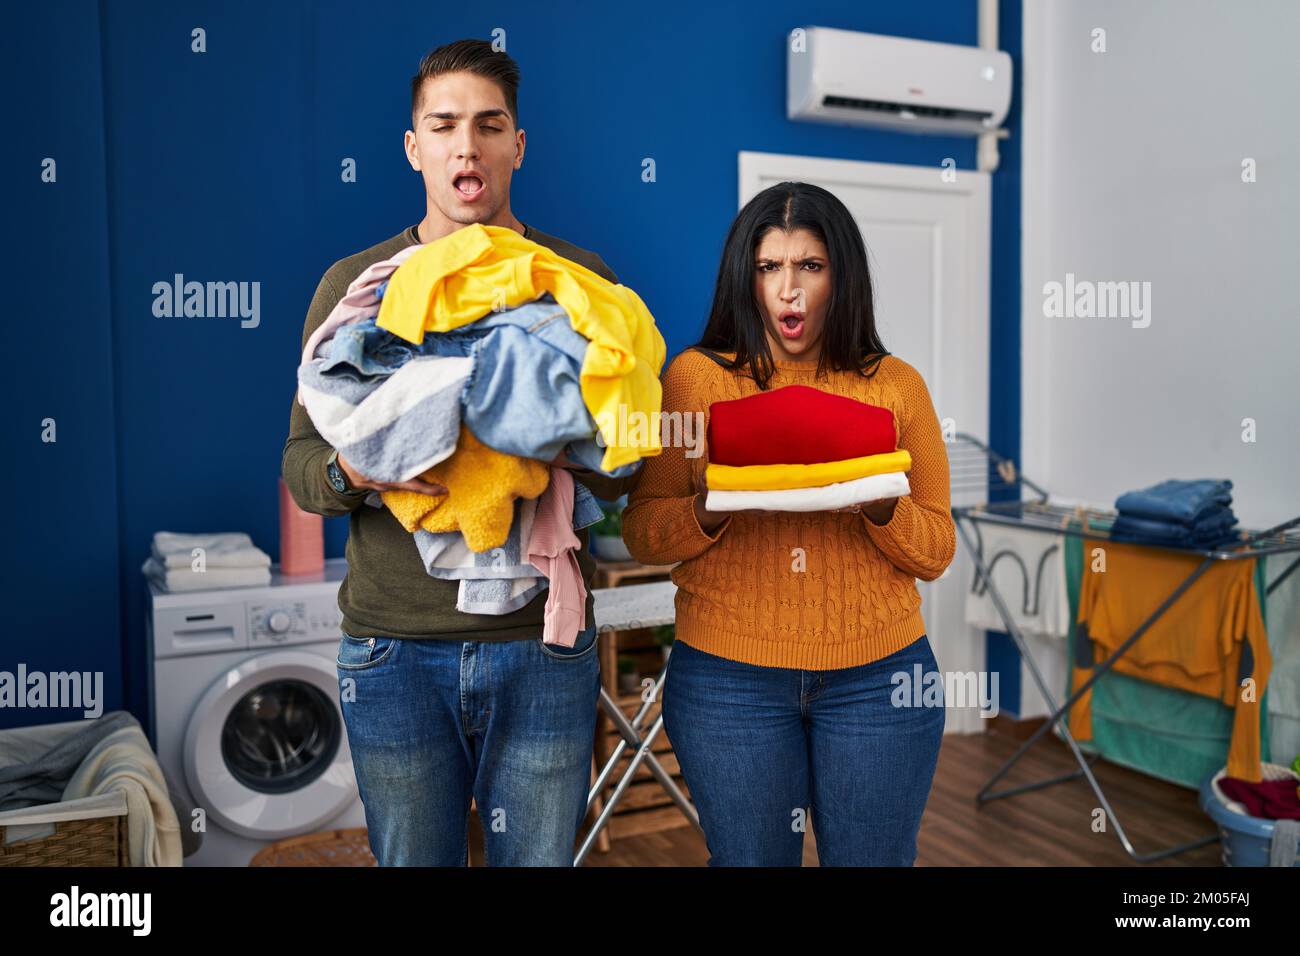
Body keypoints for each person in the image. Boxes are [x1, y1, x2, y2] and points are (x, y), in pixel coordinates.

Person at [282, 39, 637, 866]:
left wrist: (564, 435)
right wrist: (354, 470)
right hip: (393, 651)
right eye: (443, 126)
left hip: (541, 648)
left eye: (489, 124)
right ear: (415, 148)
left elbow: (630, 462)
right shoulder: (358, 285)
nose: (466, 145)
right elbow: (303, 464)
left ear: (519, 144)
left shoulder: (579, 281)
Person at [622, 181, 955, 866]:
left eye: (810, 266)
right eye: (769, 267)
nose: (789, 290)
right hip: (727, 680)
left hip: (880, 677)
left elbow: (937, 549)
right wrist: (714, 505)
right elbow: (643, 531)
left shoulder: (898, 386)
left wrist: (881, 504)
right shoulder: (694, 379)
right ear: (745, 276)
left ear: (842, 275)